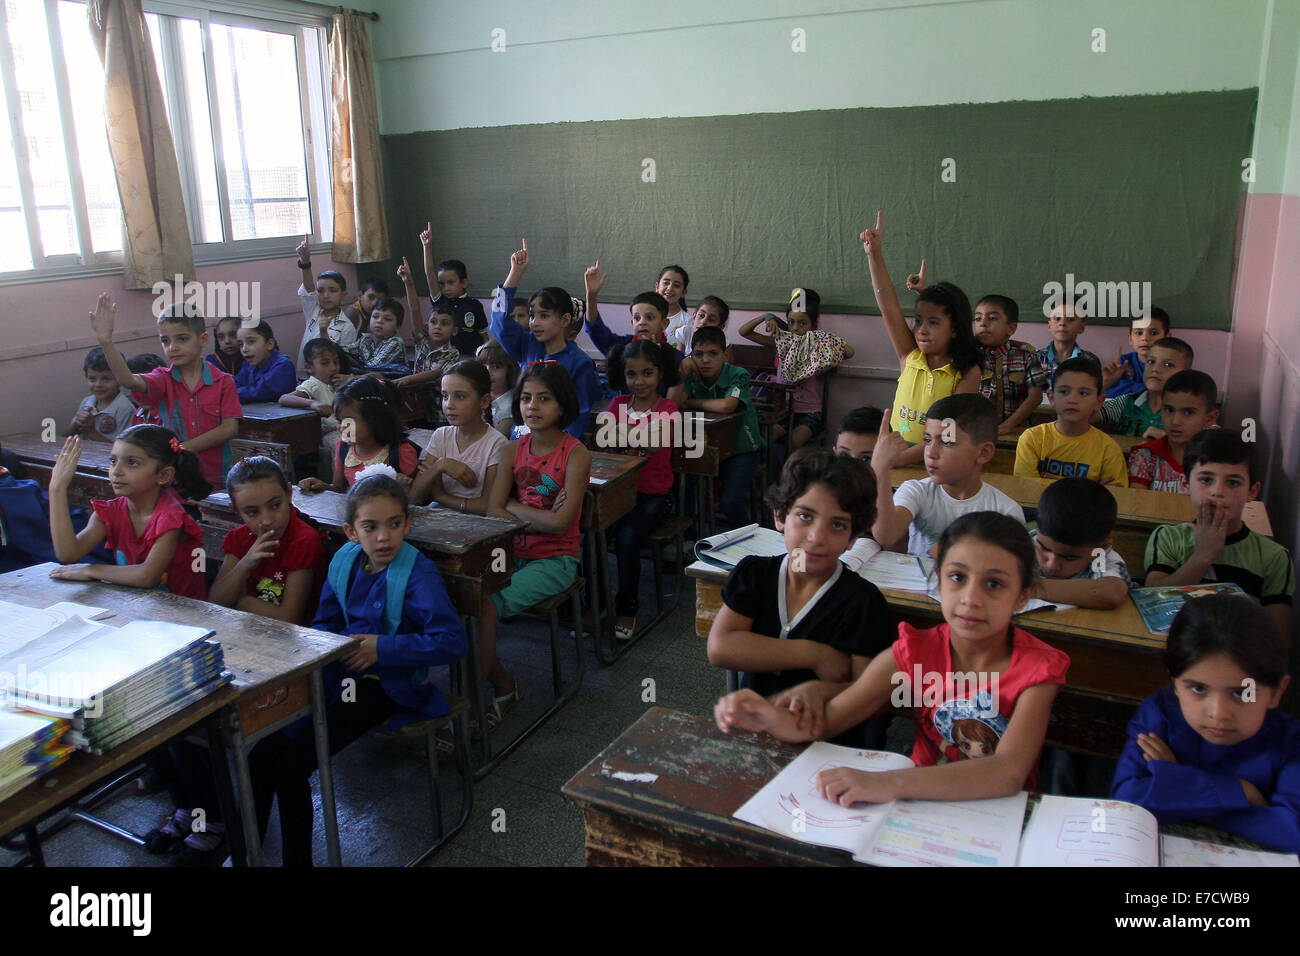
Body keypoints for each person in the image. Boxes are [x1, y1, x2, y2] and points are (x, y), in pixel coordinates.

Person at [715, 512, 1070, 800]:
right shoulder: (913, 650)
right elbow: (829, 719)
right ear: (939, 582)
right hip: (917, 804)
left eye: (994, 584)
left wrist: (888, 783)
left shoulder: (1037, 669)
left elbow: (1006, 773)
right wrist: (767, 716)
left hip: (997, 813)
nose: (971, 598)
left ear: (1023, 596)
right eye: (958, 577)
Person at [250, 468, 467, 866]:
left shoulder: (418, 574)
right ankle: (249, 849)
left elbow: (453, 642)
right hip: (337, 674)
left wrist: (383, 648)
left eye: (394, 524)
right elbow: (324, 624)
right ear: (351, 532)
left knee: (292, 763)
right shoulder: (344, 562)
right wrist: (330, 648)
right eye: (370, 527)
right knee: (261, 747)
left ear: (408, 523)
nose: (383, 537)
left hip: (389, 685)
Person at [707, 447, 893, 748]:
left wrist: (821, 690)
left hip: (828, 743)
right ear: (780, 516)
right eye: (805, 516)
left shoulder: (861, 602)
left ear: (853, 538)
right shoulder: (755, 574)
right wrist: (815, 654)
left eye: (837, 525)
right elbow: (721, 648)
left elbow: (867, 693)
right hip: (757, 735)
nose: (817, 537)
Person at [1112, 594, 1300, 853]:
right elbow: (1126, 801)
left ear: (1277, 692)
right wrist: (1239, 793)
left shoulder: (1291, 743)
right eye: (1198, 688)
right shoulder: (1160, 715)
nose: (1219, 713)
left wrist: (1180, 787)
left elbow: (1293, 832)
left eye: (1242, 692)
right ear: (1175, 685)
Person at [480, 363, 591, 729]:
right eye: (526, 398)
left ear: (562, 405)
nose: (533, 406)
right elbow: (493, 511)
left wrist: (510, 505)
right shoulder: (512, 449)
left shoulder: (575, 454)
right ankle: (482, 679)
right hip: (511, 554)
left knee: (484, 605)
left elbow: (560, 524)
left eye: (544, 398)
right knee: (461, 595)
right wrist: (517, 509)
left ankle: (496, 688)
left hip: (556, 559)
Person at [859, 212, 981, 465]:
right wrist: (874, 255)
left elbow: (949, 433)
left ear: (955, 328)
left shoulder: (966, 373)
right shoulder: (910, 355)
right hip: (895, 456)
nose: (922, 329)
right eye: (919, 320)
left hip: (936, 463)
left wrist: (900, 458)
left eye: (933, 322)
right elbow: (888, 307)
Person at [1144, 430, 1293, 636]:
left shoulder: (1274, 556)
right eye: (1206, 480)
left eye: (1232, 482)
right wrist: (1204, 555)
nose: (1217, 491)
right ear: (1185, 484)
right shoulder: (1168, 537)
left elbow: (1278, 640)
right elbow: (1152, 600)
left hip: (1241, 659)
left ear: (1252, 491)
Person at [90, 293, 240, 489]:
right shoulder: (163, 380)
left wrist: (181, 449)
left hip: (216, 481)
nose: (172, 347)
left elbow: (229, 428)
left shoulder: (223, 382)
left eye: (182, 339)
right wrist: (106, 342)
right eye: (165, 341)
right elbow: (128, 380)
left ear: (203, 339)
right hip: (174, 481)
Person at [46, 426, 211, 598]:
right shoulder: (110, 511)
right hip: (139, 604)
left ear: (163, 475)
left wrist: (90, 569)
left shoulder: (170, 517)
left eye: (132, 463)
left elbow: (147, 576)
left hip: (183, 613)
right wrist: (57, 488)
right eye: (113, 461)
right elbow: (68, 553)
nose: (116, 471)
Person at [871, 393, 1023, 557]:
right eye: (928, 440)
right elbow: (886, 535)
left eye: (946, 442)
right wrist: (879, 468)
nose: (931, 453)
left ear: (983, 453)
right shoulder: (917, 491)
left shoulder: (1004, 511)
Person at [598, 339, 680, 639]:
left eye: (647, 373)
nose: (639, 381)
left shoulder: (668, 407)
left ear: (660, 374)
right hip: (618, 492)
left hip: (655, 496)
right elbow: (605, 439)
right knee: (593, 533)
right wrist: (633, 434)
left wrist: (621, 434)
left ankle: (627, 607)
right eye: (632, 374)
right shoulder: (618, 404)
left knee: (628, 539)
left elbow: (654, 443)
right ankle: (593, 603)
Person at [488, 238, 602, 440]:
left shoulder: (580, 362)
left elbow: (580, 412)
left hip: (557, 446)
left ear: (565, 319)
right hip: (523, 440)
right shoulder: (526, 345)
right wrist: (515, 273)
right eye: (532, 315)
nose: (535, 322)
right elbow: (498, 323)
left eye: (544, 315)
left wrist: (562, 451)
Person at [210, 455, 327, 623]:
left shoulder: (303, 540)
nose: (267, 520)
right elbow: (215, 601)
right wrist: (246, 562)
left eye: (275, 505)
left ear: (289, 494)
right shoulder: (238, 538)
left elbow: (289, 618)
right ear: (236, 510)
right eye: (252, 512)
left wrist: (241, 601)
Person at [739, 288, 853, 450]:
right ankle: (775, 474)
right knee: (763, 440)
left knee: (793, 443)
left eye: (802, 323)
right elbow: (744, 332)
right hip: (782, 411)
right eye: (791, 322)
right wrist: (766, 317)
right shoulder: (781, 343)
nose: (795, 328)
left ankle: (790, 474)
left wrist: (819, 338)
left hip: (809, 413)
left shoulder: (815, 346)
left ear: (813, 325)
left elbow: (849, 352)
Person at [681, 325, 764, 530]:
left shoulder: (738, 374)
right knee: (684, 492)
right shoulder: (691, 375)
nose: (705, 360)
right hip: (702, 448)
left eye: (713, 353)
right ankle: (691, 541)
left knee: (729, 502)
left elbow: (727, 405)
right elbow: (675, 404)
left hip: (740, 450)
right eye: (698, 354)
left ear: (725, 355)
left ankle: (749, 539)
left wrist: (692, 403)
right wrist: (682, 372)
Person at [1014, 357, 1127, 485]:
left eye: (1083, 393)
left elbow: (1112, 498)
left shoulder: (1109, 450)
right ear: (1051, 398)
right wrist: (1092, 491)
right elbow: (1028, 491)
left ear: (1099, 401)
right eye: (1064, 391)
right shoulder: (1032, 439)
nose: (1072, 399)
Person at [411, 361, 506, 513]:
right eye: (445, 396)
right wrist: (441, 465)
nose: (449, 405)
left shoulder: (496, 444)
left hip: (474, 525)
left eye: (460, 396)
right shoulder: (441, 435)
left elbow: (487, 506)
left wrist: (441, 497)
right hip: (437, 517)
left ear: (484, 401)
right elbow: (414, 496)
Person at [299, 376, 419, 493]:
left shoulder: (399, 452)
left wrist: (404, 485)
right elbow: (338, 489)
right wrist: (322, 486)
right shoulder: (343, 447)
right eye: (339, 420)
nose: (341, 427)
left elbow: (416, 496)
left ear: (375, 419)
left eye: (349, 421)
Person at [1031, 477, 1133, 610]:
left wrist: (1034, 588)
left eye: (1069, 557)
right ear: (1038, 530)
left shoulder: (1101, 557)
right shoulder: (1022, 542)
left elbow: (1110, 593)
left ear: (1102, 547)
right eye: (1044, 548)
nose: (1052, 565)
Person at [1127, 369, 1220, 492]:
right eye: (1169, 410)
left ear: (1210, 419)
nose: (1175, 421)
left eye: (1188, 412)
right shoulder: (1145, 456)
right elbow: (1135, 506)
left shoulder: (1220, 462)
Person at [973, 294, 1047, 434]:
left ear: (1011, 329)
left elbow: (1035, 396)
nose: (983, 323)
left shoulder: (1026, 354)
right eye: (978, 318)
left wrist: (1008, 425)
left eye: (992, 318)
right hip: (979, 432)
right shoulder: (970, 355)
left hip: (1017, 431)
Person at [1096, 337, 1194, 438]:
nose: (1155, 369)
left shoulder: (1190, 412)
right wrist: (1104, 384)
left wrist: (1168, 442)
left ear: (1186, 373)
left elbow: (1198, 449)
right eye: (1151, 362)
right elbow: (1083, 418)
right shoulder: (1126, 402)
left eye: (1168, 364)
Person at [279, 338, 348, 476]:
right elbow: (284, 398)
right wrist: (313, 403)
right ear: (309, 367)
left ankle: (355, 481)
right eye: (325, 363)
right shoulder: (313, 384)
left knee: (363, 441)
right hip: (330, 433)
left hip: (347, 427)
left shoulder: (339, 382)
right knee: (340, 445)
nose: (333, 367)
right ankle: (337, 486)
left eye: (336, 362)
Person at [418, 223, 489, 356]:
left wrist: (487, 354)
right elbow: (430, 275)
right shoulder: (440, 303)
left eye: (451, 283)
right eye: (442, 284)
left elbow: (483, 335)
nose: (446, 288)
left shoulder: (474, 306)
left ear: (464, 282)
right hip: (444, 358)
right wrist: (426, 246)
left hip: (469, 358)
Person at [294, 235, 357, 370]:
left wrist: (324, 332)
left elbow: (341, 360)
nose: (326, 295)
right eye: (321, 291)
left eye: (332, 290)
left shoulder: (346, 327)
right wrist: (305, 262)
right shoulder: (314, 311)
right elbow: (309, 289)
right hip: (303, 376)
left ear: (343, 295)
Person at [70, 347, 136, 443]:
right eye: (92, 379)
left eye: (106, 379)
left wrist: (92, 433)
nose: (98, 385)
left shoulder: (125, 409)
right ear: (86, 377)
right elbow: (65, 436)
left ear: (120, 378)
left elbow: (122, 450)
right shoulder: (87, 402)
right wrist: (76, 423)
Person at [1103, 307, 1171, 398]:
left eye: (1154, 333)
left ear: (1167, 338)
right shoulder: (1123, 363)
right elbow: (1108, 390)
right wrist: (1146, 390)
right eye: (1139, 333)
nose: (1145, 338)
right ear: (1130, 339)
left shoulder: (1172, 365)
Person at [1035, 298, 1099, 384]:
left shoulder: (1090, 361)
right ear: (1049, 326)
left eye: (1070, 319)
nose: (1062, 323)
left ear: (1081, 327)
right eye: (1057, 318)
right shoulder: (1035, 359)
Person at [233, 320, 297, 405]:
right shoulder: (248, 366)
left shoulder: (283, 365)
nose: (244, 349)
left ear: (269, 344)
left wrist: (230, 393)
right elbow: (233, 384)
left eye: (251, 342)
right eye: (241, 344)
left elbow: (259, 392)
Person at [343, 297, 407, 371]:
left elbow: (372, 368)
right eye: (375, 317)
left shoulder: (396, 342)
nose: (379, 321)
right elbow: (343, 350)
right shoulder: (365, 339)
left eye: (387, 319)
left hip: (387, 381)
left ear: (398, 326)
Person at [476, 342, 518, 438]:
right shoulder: (477, 398)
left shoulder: (511, 407)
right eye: (483, 365)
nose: (488, 372)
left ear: (510, 371)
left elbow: (493, 443)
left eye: (496, 367)